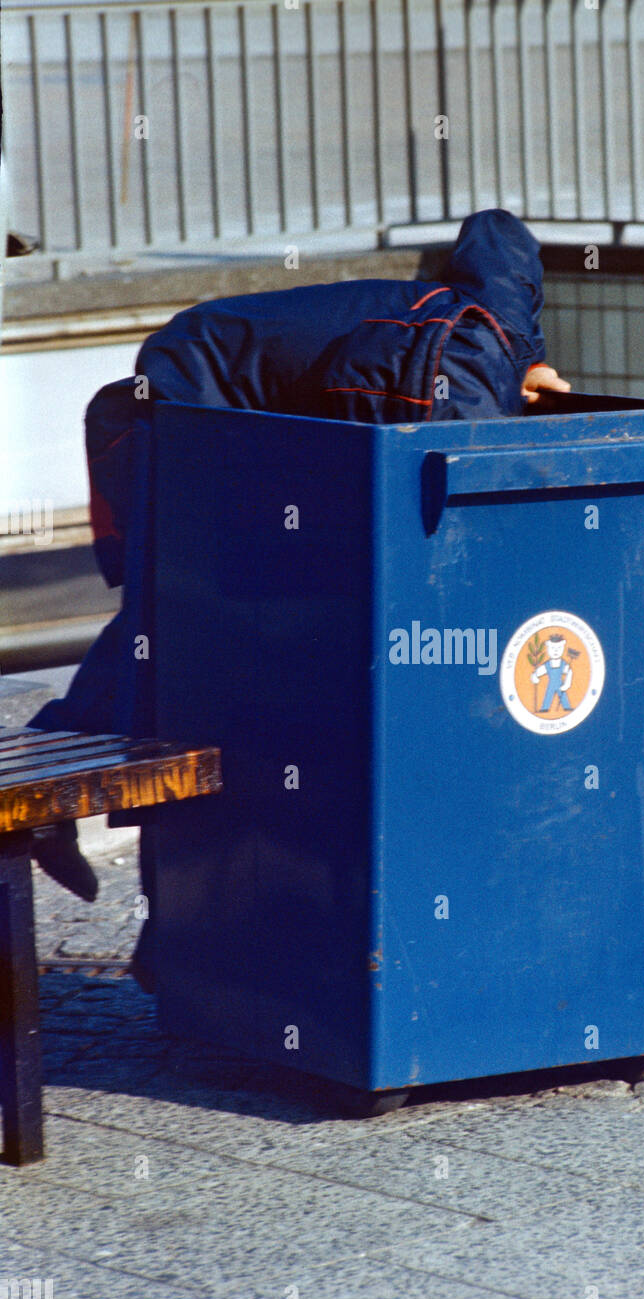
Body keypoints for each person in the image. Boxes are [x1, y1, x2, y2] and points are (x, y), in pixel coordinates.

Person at [28, 209, 570, 908]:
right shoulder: (449, 395)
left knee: (195, 636)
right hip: (185, 389)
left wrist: (531, 353)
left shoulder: (491, 327)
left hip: (230, 388)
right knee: (178, 628)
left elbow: (497, 230)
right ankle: (65, 801)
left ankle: (156, 920)